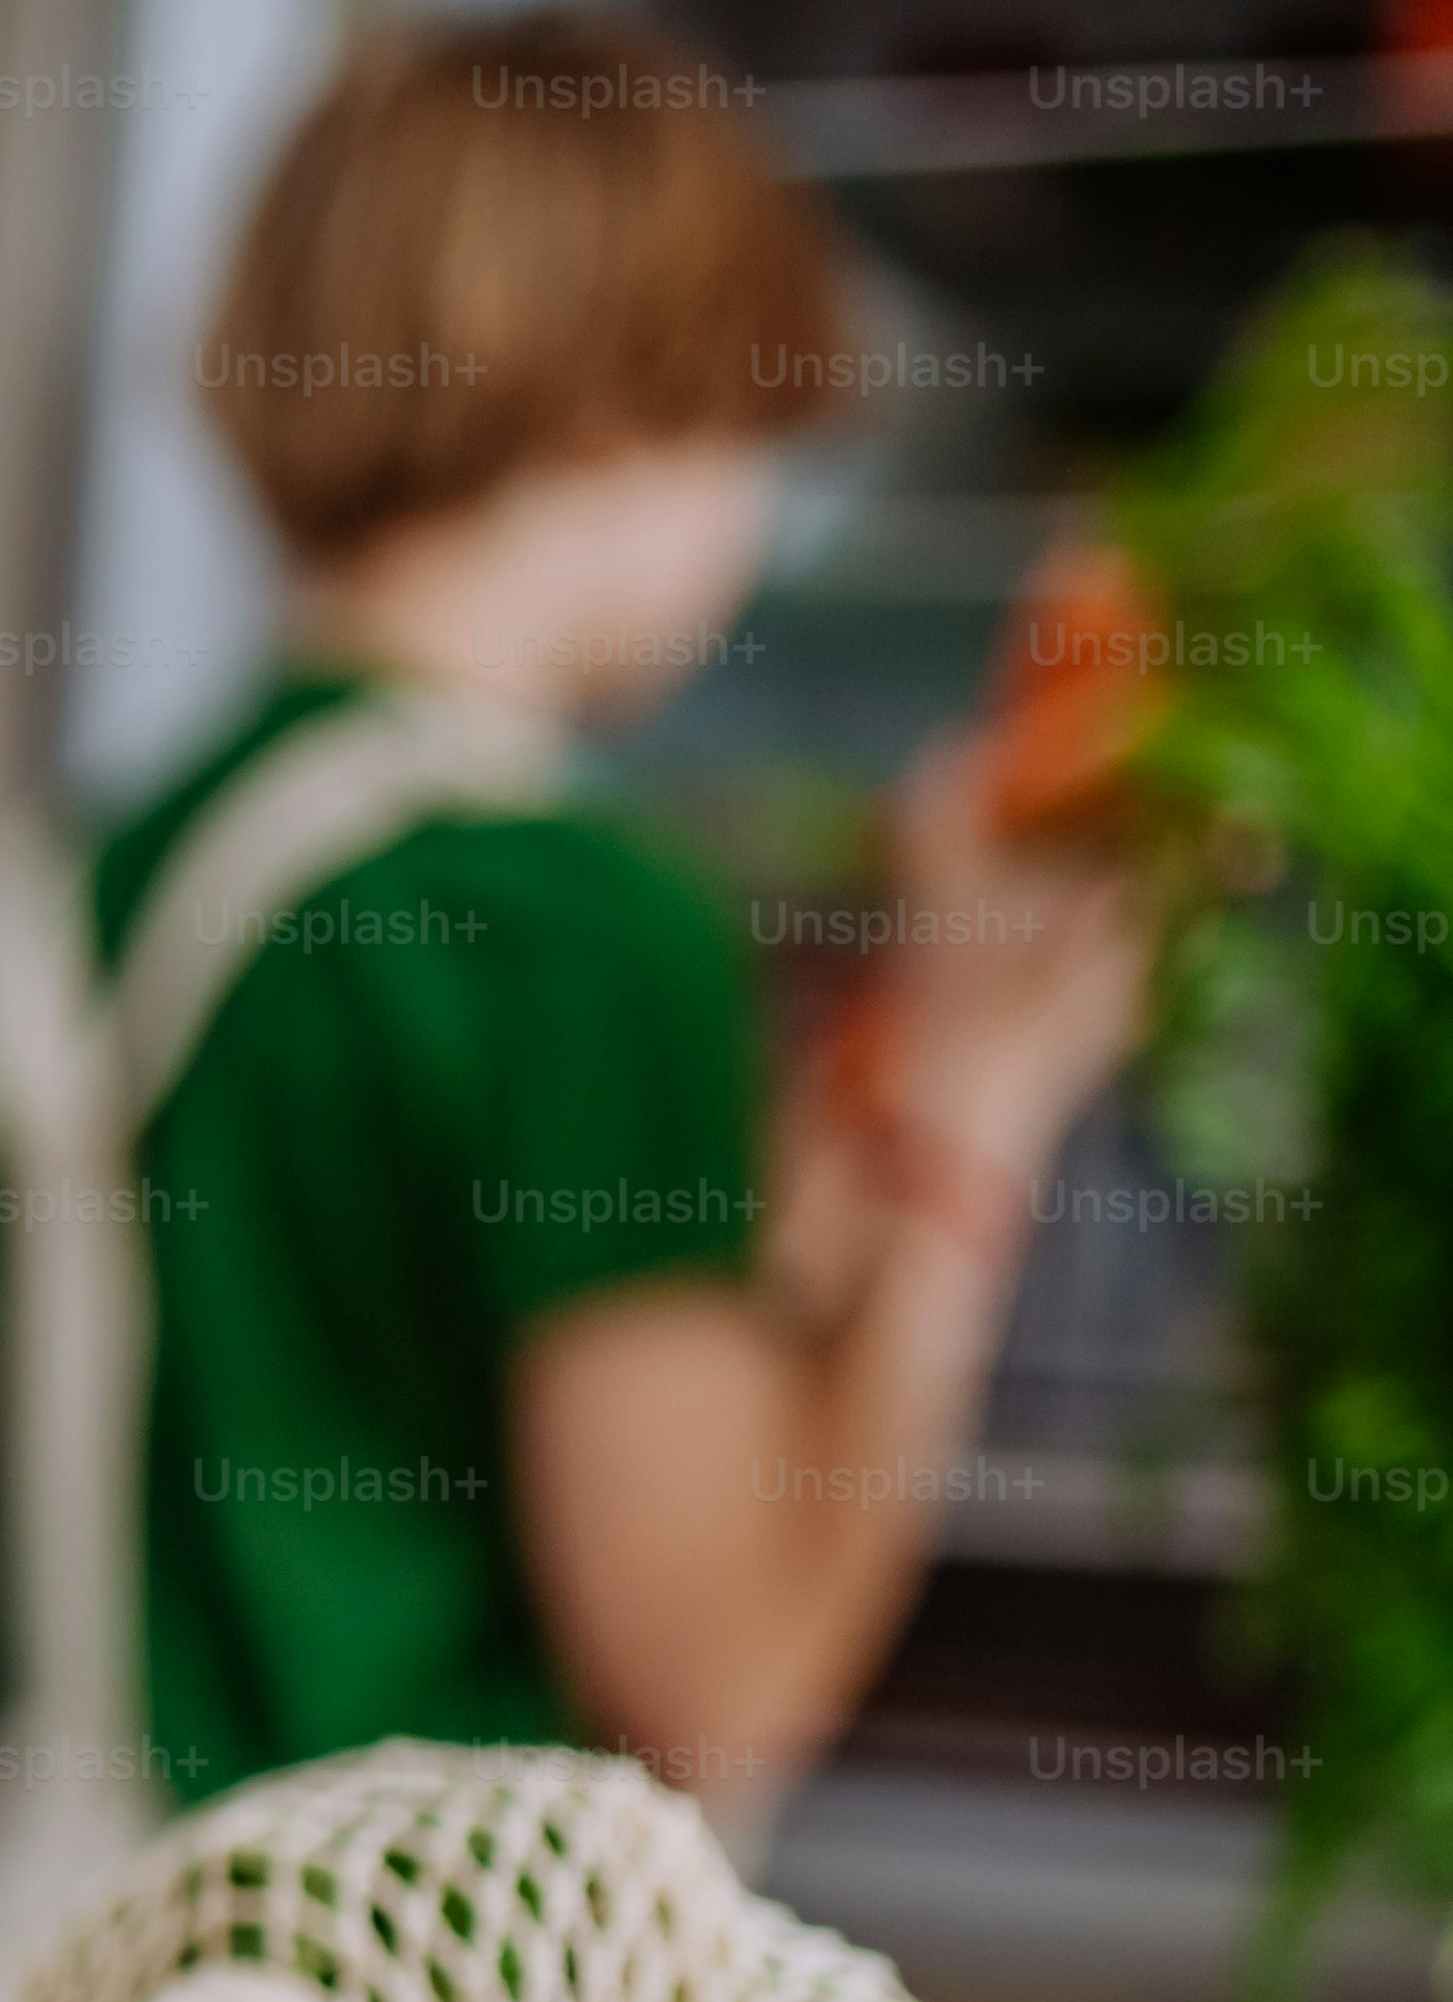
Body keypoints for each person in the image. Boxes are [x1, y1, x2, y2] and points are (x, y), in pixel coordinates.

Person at [79, 13, 1147, 1810]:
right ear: (603, 398)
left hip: (99, 1988)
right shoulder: (576, 918)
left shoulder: (148, 855)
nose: (751, 524)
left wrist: (836, 1155)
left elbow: (395, 1362)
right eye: (752, 439)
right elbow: (718, 1692)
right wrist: (985, 1112)